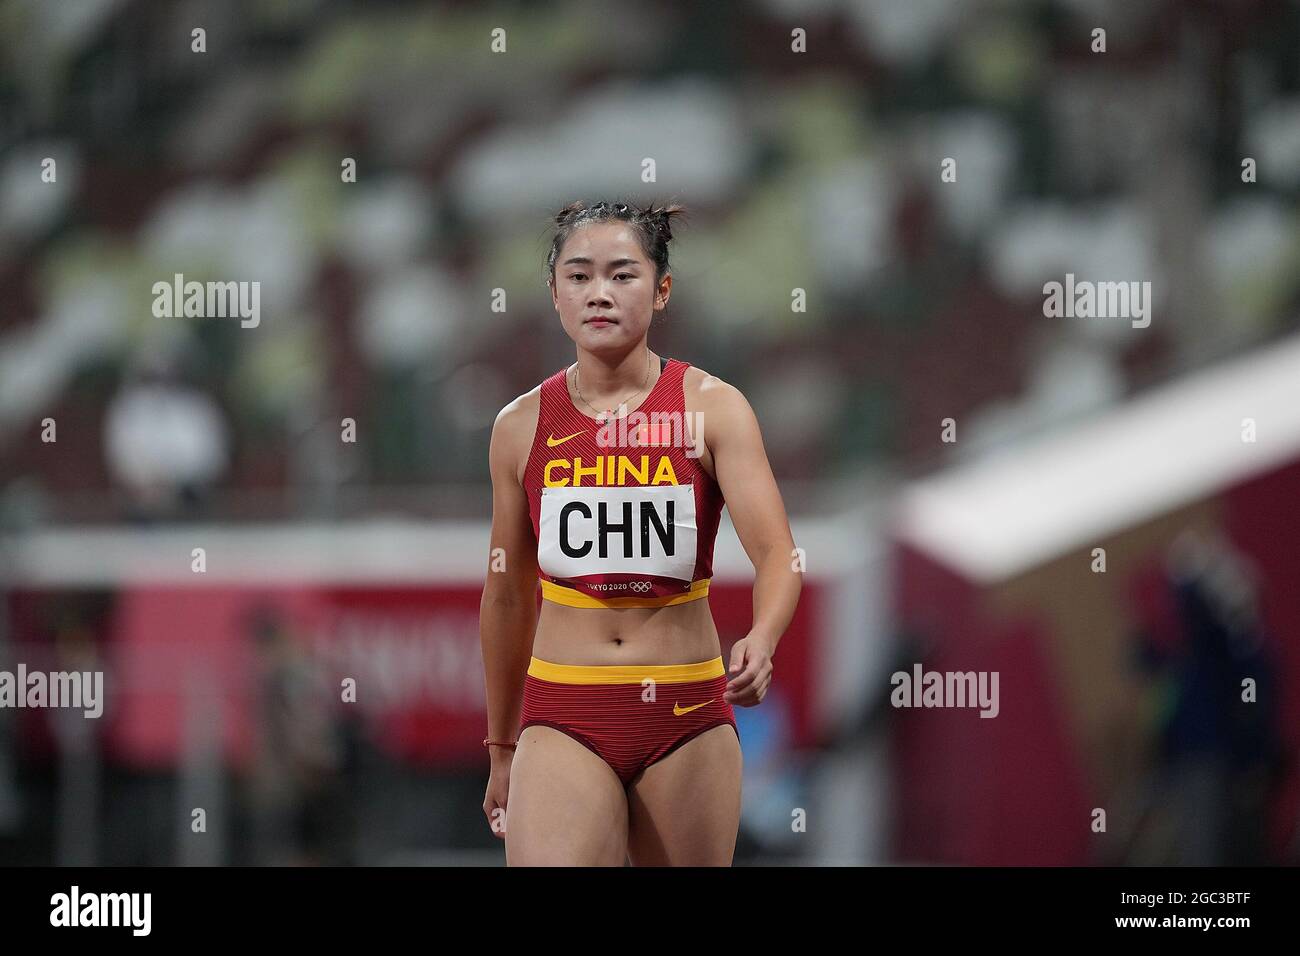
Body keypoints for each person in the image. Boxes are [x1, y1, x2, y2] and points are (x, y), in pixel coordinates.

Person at [478, 199, 801, 865]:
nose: (599, 293)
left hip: (685, 713)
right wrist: (502, 747)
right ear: (555, 293)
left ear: (661, 290)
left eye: (622, 275)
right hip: (564, 710)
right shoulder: (520, 426)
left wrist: (764, 638)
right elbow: (507, 595)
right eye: (579, 276)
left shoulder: (714, 410)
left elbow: (778, 554)